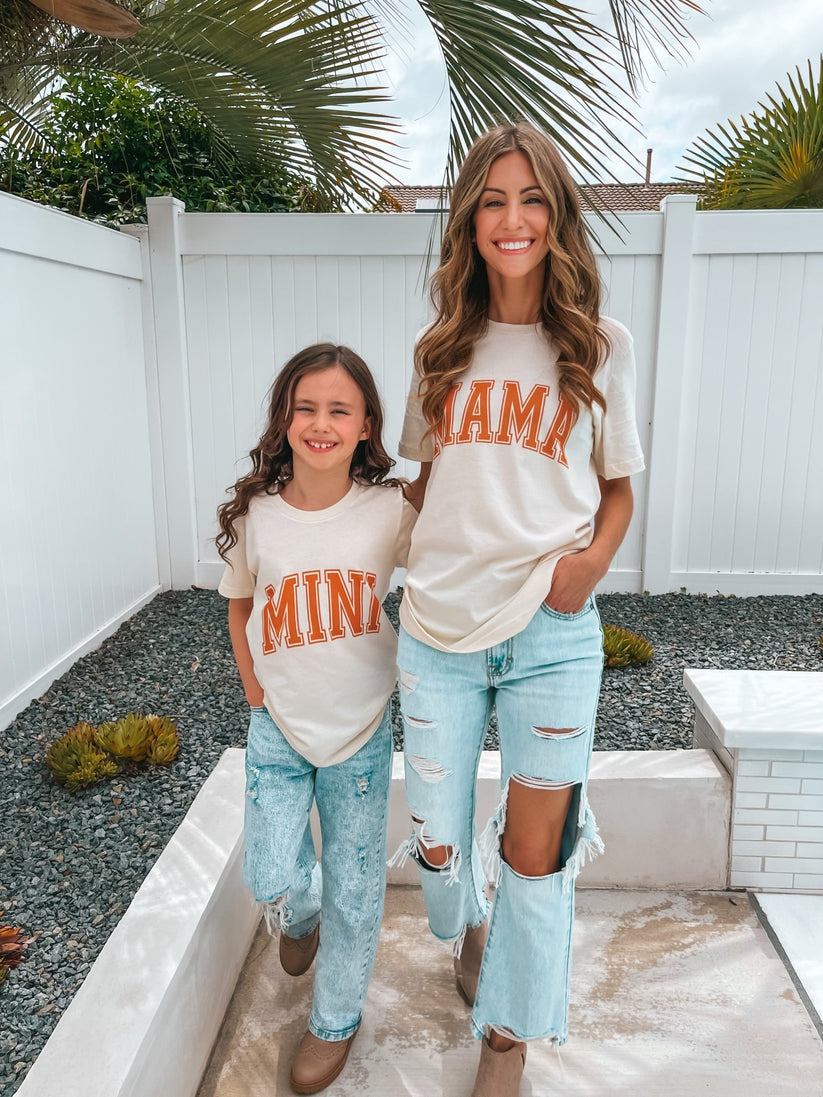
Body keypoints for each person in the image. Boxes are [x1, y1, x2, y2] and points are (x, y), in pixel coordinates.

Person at [391, 122, 645, 1096]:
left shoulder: (598, 346)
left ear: (556, 215)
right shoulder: (438, 350)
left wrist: (589, 566)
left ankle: (506, 1036)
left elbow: (617, 489)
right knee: (439, 843)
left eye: (531, 198)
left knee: (537, 853)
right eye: (492, 200)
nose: (512, 218)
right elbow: (424, 489)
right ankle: (468, 927)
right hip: (438, 629)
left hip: (551, 629)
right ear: (468, 220)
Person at [216, 344, 417, 1095]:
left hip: (360, 728)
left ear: (366, 425)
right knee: (270, 872)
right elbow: (240, 605)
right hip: (278, 724)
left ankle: (334, 1020)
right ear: (284, 418)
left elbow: (447, 564)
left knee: (356, 889)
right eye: (306, 408)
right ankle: (301, 916)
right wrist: (254, 692)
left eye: (339, 409)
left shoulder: (391, 510)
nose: (321, 423)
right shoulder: (256, 514)